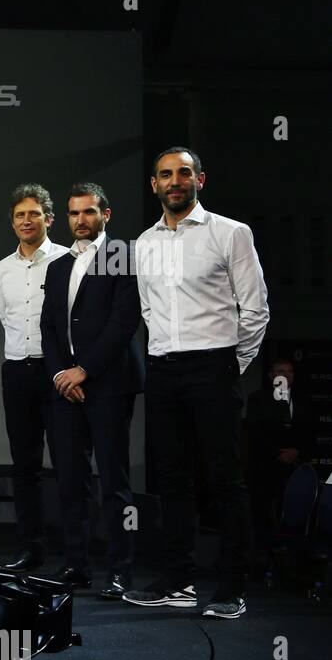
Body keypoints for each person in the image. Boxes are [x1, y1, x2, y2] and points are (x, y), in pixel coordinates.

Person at [126, 146, 270, 619]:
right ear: (154, 185)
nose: (175, 181)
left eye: (184, 173)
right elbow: (149, 310)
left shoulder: (230, 234)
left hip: (214, 366)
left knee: (224, 480)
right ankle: (179, 579)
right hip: (164, 370)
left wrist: (233, 363)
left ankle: (232, 585)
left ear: (199, 181)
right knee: (171, 480)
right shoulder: (143, 244)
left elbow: (255, 309)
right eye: (165, 175)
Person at [41, 184, 144, 598]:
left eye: (88, 212)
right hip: (66, 387)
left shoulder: (121, 255)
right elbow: (48, 329)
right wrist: (61, 375)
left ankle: (121, 570)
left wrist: (84, 370)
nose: (80, 220)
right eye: (73, 213)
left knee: (114, 482)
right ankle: (76, 566)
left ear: (106, 214)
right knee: (70, 480)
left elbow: (124, 323)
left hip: (108, 384)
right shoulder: (58, 265)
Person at [0, 184, 69, 572]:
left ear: (49, 219)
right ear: (13, 222)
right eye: (20, 215)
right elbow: (8, 318)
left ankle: (74, 555)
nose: (27, 220)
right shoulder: (2, 268)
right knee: (24, 466)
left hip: (55, 373)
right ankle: (31, 548)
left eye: (34, 214)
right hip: (16, 371)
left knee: (67, 464)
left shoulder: (65, 259)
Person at [245, 357, 308, 568]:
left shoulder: (304, 400)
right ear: (271, 376)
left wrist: (296, 451)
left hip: (296, 467)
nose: (285, 374)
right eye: (280, 370)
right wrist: (277, 453)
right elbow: (255, 432)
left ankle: (295, 558)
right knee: (263, 512)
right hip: (265, 467)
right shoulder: (258, 398)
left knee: (295, 511)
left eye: (289, 371)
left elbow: (311, 431)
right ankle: (265, 557)